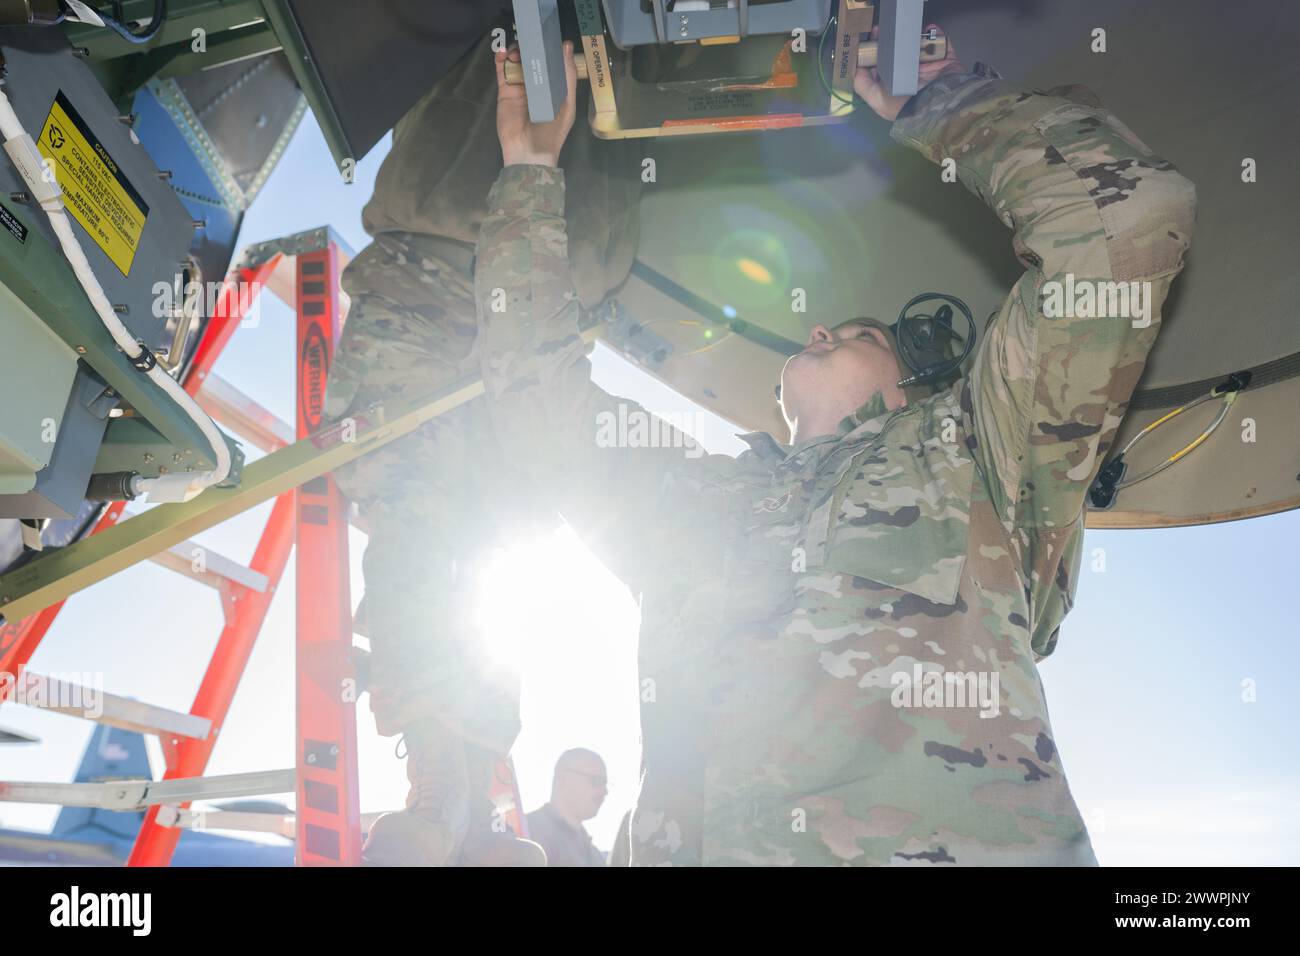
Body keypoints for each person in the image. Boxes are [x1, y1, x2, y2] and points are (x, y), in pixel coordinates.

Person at [474, 29, 1196, 865]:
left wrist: (944, 100)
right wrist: (528, 172)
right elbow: (533, 399)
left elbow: (1125, 223)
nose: (818, 328)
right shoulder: (690, 496)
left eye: (858, 333)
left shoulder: (975, 450)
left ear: (909, 384)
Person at [323, 20, 642, 866]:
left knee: (505, 542)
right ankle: (442, 764)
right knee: (418, 519)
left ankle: (468, 772)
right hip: (440, 270)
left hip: (543, 302)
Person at [526, 749, 610, 867]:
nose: (605, 791)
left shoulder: (596, 856)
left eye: (605, 784)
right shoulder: (525, 832)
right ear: (562, 779)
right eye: (597, 781)